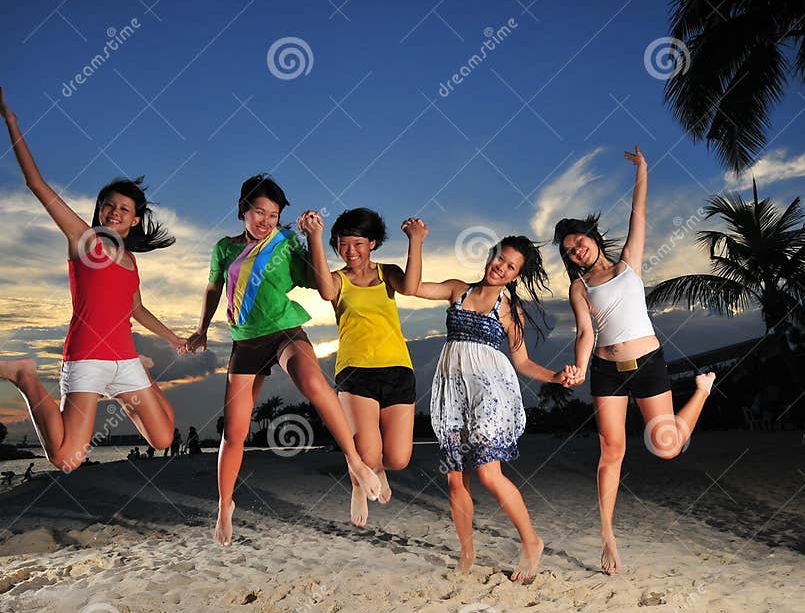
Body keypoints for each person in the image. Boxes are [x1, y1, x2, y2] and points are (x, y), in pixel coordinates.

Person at [0, 87, 184, 472]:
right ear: (99, 210)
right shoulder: (84, 241)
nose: (115, 212)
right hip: (86, 357)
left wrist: (172, 338)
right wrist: (12, 122)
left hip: (126, 360)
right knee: (67, 459)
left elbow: (136, 309)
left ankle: (143, 372)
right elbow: (37, 184)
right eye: (109, 205)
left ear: (135, 219)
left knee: (164, 438)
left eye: (124, 208)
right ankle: (25, 375)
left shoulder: (132, 262)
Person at [186, 174, 383, 546]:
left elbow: (316, 279)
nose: (266, 221)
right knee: (235, 433)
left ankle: (355, 463)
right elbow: (214, 288)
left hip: (285, 330)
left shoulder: (284, 243)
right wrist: (201, 329)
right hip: (245, 340)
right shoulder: (224, 249)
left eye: (274, 215)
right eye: (259, 212)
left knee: (314, 383)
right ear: (243, 210)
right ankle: (225, 506)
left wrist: (312, 237)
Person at [553, 146, 716, 575]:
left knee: (667, 447)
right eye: (569, 251)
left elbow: (638, 214)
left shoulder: (628, 264)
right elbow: (586, 334)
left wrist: (643, 169)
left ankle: (701, 392)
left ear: (592, 236)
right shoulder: (579, 288)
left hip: (647, 364)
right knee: (612, 450)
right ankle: (607, 535)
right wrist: (581, 368)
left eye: (579, 242)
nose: (577, 251)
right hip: (607, 373)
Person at [415, 235, 577, 581]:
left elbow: (523, 361)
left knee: (489, 473)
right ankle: (467, 552)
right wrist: (416, 241)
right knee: (455, 479)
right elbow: (412, 286)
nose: (500, 267)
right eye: (499, 259)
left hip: (490, 390)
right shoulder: (458, 290)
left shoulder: (507, 309)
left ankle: (531, 541)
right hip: (453, 391)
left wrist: (556, 376)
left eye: (510, 266)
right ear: (492, 255)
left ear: (516, 275)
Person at [299, 208, 427, 527]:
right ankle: (357, 482)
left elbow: (411, 287)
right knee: (367, 457)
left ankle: (376, 471)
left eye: (358, 243)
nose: (350, 251)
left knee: (397, 459)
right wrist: (314, 235)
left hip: (398, 369)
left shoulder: (388, 274)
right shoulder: (339, 280)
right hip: (356, 372)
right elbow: (325, 290)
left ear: (372, 243)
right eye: (343, 244)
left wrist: (416, 240)